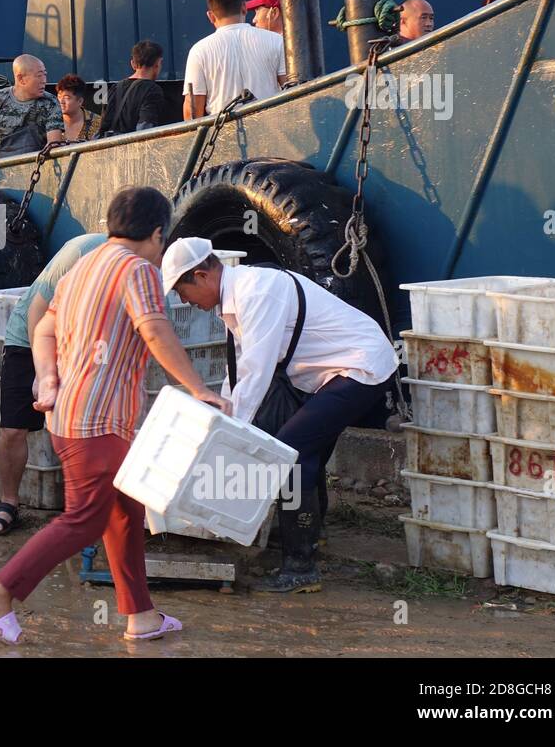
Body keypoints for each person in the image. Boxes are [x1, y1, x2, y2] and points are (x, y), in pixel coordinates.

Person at [0, 188, 230, 644]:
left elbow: (43, 325)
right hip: (99, 420)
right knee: (85, 518)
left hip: (73, 414)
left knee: (125, 510)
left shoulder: (83, 265)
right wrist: (199, 388)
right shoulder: (138, 269)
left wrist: (46, 376)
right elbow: (155, 328)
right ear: (157, 232)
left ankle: (141, 615)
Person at [164, 237, 398, 593]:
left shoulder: (257, 292)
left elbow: (257, 371)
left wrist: (226, 439)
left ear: (202, 275)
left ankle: (301, 566)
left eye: (183, 291)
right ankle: (310, 534)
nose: (184, 301)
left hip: (360, 366)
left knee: (291, 452)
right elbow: (239, 373)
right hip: (333, 372)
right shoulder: (236, 298)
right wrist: (222, 418)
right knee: (307, 449)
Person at [0, 232, 105, 536]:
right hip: (29, 335)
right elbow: (38, 308)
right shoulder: (82, 250)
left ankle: (85, 507)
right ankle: (8, 502)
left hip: (80, 342)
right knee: (13, 428)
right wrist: (43, 371)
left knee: (87, 428)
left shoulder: (141, 265)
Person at [183, 0, 286, 120]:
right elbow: (291, 92)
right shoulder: (277, 41)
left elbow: (192, 109)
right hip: (272, 134)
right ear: (243, 8)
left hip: (223, 137)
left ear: (211, 16)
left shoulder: (199, 51)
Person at [0, 54, 64, 151]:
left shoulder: (50, 102)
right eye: (39, 76)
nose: (44, 81)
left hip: (36, 164)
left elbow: (54, 147)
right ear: (21, 79)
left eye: (45, 75)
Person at [102, 41, 171, 135]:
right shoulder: (153, 90)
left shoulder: (115, 88)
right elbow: (146, 129)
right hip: (134, 148)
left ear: (133, 63)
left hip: (110, 147)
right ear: (157, 64)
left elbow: (103, 125)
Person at [55, 74, 100, 143]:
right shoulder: (51, 122)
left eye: (66, 98)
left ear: (80, 101)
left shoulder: (97, 123)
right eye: (59, 96)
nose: (61, 101)